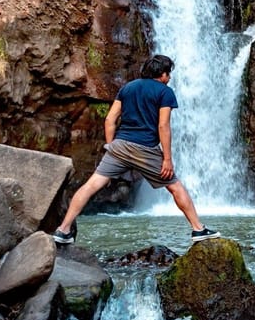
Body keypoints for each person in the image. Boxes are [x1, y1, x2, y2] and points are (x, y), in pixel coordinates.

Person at [52, 55, 220, 244]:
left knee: (90, 186)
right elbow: (163, 126)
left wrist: (110, 147)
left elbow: (109, 120)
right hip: (145, 148)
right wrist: (167, 159)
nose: (170, 77)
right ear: (163, 74)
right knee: (175, 187)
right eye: (169, 73)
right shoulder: (165, 92)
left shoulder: (127, 88)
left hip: (120, 146)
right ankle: (198, 229)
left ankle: (63, 230)